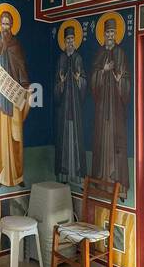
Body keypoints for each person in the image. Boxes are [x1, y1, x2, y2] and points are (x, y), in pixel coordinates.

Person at [0, 8, 30, 187]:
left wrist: (26, 86)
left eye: (8, 24)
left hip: (13, 95)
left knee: (15, 137)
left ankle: (16, 176)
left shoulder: (16, 44)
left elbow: (21, 66)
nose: (5, 28)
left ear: (12, 25)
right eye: (3, 24)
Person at [90, 18, 131, 191]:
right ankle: (100, 177)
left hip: (115, 108)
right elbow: (93, 79)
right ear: (103, 35)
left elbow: (126, 79)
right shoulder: (100, 54)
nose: (110, 35)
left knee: (116, 139)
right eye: (107, 32)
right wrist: (103, 71)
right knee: (101, 137)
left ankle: (117, 181)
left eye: (112, 32)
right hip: (101, 107)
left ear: (116, 34)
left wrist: (119, 80)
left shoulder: (120, 53)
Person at [54, 25, 87, 183]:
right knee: (64, 137)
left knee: (75, 137)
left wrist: (78, 79)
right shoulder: (61, 58)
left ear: (75, 41)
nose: (70, 42)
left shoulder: (79, 58)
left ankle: (77, 175)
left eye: (72, 39)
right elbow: (55, 84)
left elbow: (84, 82)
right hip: (64, 107)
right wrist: (60, 84)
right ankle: (64, 174)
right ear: (64, 41)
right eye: (68, 39)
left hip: (75, 107)